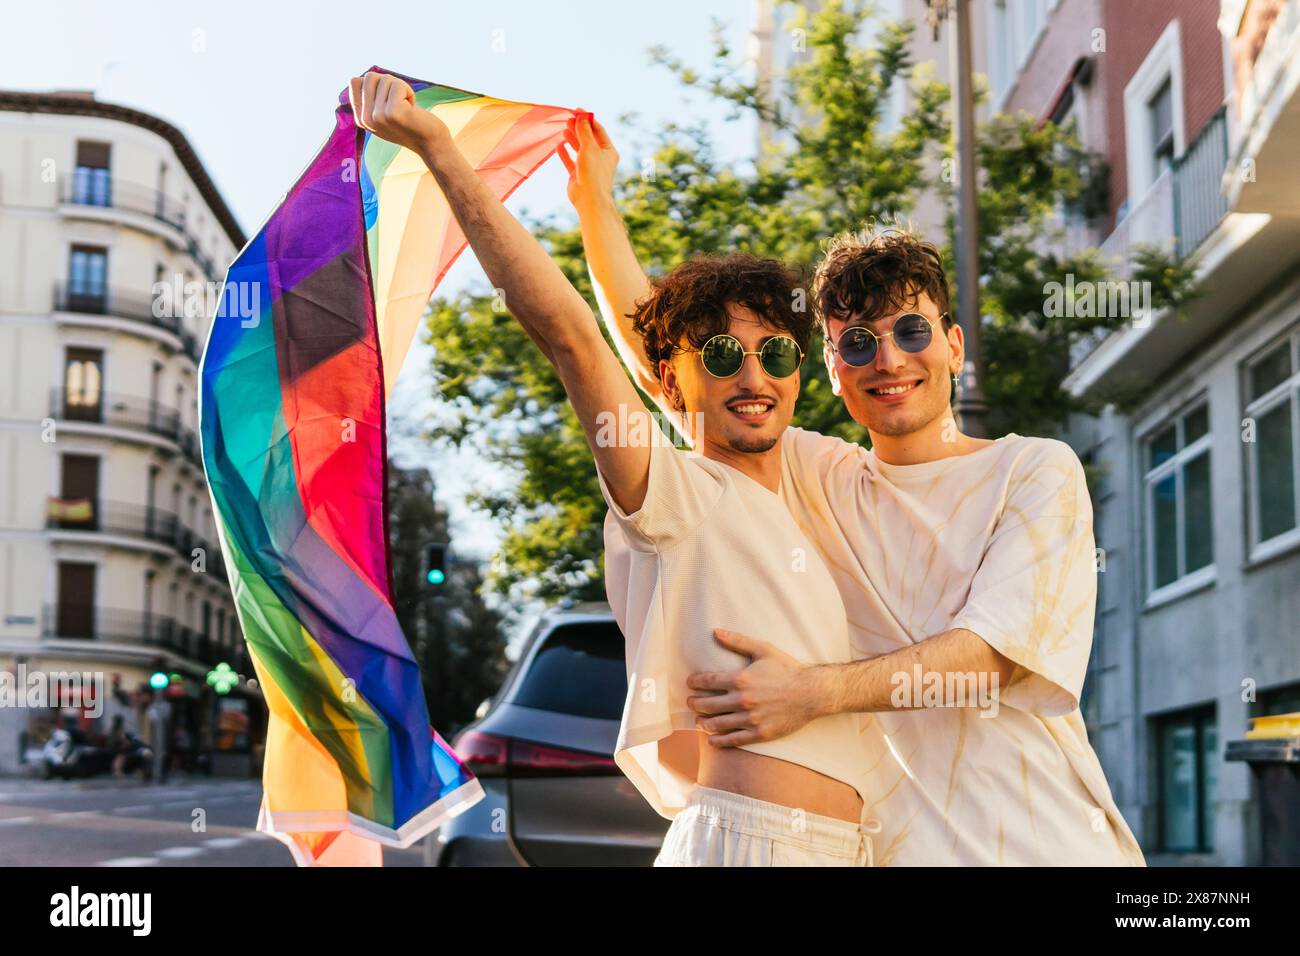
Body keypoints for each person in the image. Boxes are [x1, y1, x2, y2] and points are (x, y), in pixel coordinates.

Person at [564, 115, 1145, 866]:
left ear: (953, 345)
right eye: (858, 344)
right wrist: (595, 206)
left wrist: (814, 693)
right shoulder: (814, 474)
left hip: (1043, 846)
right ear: (832, 373)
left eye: (910, 332)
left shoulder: (1034, 470)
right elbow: (671, 365)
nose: (889, 360)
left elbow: (990, 659)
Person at [349, 71, 883, 866]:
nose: (755, 377)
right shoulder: (674, 492)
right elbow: (571, 333)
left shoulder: (816, 480)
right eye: (725, 356)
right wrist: (439, 152)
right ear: (673, 381)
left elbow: (645, 320)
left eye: (775, 353)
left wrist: (597, 205)